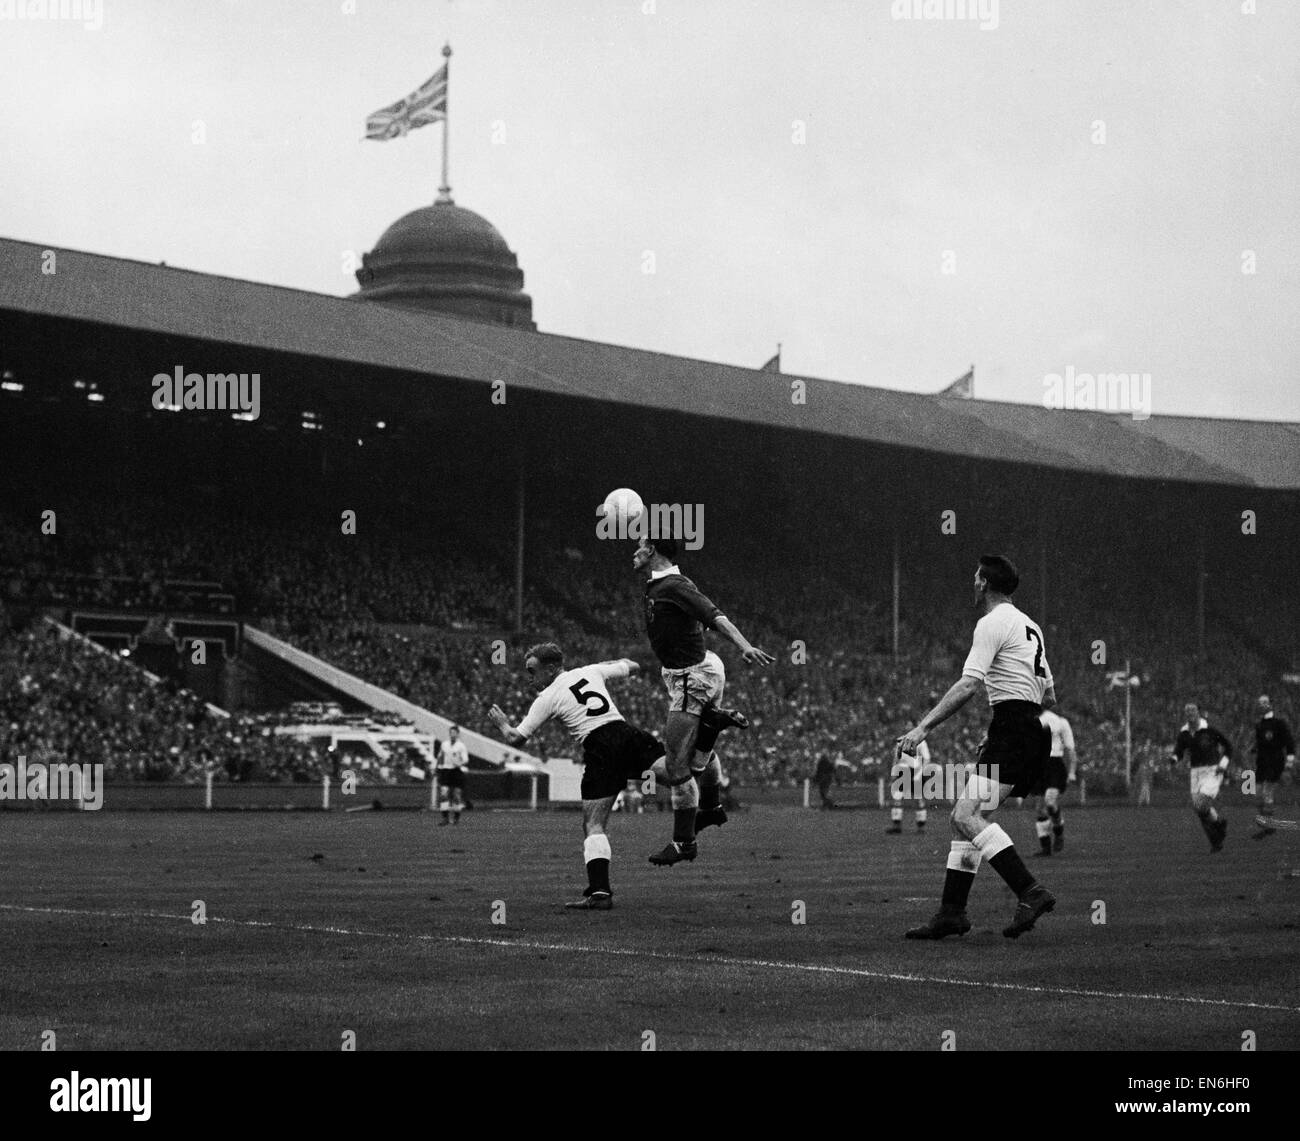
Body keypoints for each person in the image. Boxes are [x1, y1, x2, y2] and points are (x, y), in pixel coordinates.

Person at [487, 642, 733, 910]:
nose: (530, 677)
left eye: (532, 670)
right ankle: (707, 735)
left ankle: (600, 893)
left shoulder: (546, 698)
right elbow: (632, 666)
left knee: (593, 824)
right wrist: (606, 667)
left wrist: (501, 723)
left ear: (551, 668)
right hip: (627, 735)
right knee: (677, 774)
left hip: (600, 748)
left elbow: (516, 738)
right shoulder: (590, 671)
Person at [895, 555, 1057, 941]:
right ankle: (952, 913)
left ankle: (1030, 891)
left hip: (1013, 729)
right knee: (964, 816)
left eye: (975, 577)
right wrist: (1008, 717)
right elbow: (1049, 694)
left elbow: (969, 685)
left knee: (967, 815)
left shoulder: (991, 623)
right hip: (1027, 726)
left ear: (984, 583)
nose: (972, 582)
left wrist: (923, 727)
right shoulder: (1029, 624)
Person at [632, 536, 771, 867]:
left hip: (693, 678)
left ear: (652, 550)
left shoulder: (676, 585)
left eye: (639, 546)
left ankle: (684, 843)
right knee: (698, 755)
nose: (634, 552)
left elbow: (714, 616)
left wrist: (745, 645)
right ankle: (711, 807)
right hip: (691, 674)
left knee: (678, 767)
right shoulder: (658, 585)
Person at [1169, 702, 1233, 852]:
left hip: (1212, 771)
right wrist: (1174, 758)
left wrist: (1223, 764)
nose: (1190, 712)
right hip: (1195, 773)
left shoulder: (1209, 730)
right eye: (1187, 710)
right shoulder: (1184, 733)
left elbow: (1228, 747)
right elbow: (1179, 750)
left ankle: (1218, 827)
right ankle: (1217, 837)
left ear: (1199, 712)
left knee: (1200, 804)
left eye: (1193, 710)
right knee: (1200, 809)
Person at [1250, 694, 1295, 839]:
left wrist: (1289, 763)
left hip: (1275, 761)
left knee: (1267, 792)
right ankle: (1267, 825)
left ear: (1270, 704)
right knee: (1257, 795)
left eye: (1265, 702)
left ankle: (1268, 827)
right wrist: (1254, 748)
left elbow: (1289, 743)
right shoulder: (1259, 724)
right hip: (1262, 762)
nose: (1262, 705)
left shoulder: (1279, 723)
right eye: (1260, 703)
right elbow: (1259, 742)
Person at [1033, 709, 1077, 855]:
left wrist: (1071, 772)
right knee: (1040, 808)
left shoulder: (1060, 722)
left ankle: (1059, 832)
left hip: (1054, 766)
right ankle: (1046, 848)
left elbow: (1071, 749)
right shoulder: (1029, 720)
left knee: (1050, 803)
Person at [887, 738, 928, 833]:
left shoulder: (921, 741)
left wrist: (921, 772)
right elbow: (896, 758)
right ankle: (896, 826)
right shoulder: (901, 740)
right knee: (897, 797)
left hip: (916, 771)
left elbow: (926, 758)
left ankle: (921, 827)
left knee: (918, 799)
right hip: (902, 770)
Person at [436, 724, 469, 824]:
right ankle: (445, 818)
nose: (452, 735)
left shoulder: (461, 746)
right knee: (444, 793)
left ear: (458, 734)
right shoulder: (444, 744)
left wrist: (459, 763)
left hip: (456, 771)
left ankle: (456, 818)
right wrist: (437, 767)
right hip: (446, 770)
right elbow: (440, 756)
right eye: (451, 733)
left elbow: (466, 759)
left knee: (456, 795)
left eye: (454, 733)